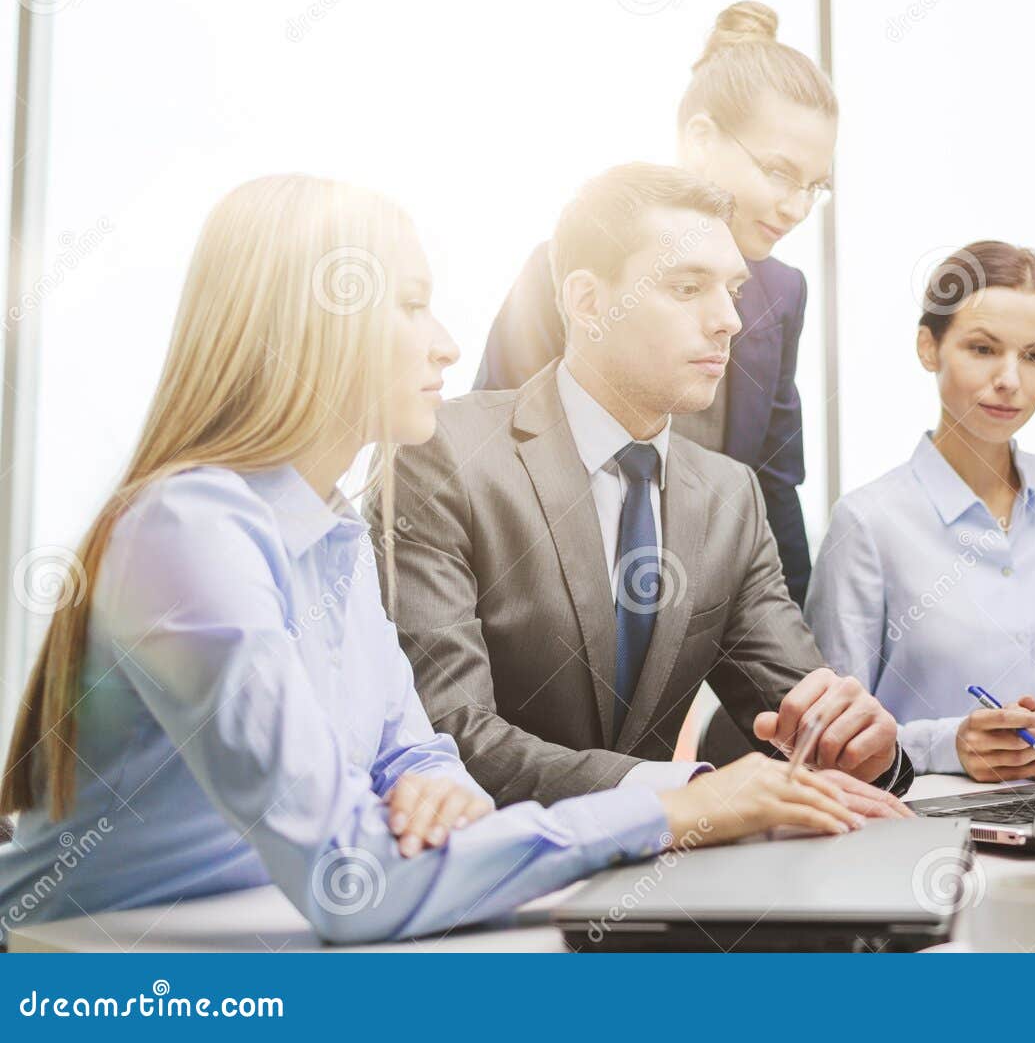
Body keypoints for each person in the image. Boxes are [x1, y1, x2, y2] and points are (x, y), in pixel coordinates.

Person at [0, 175, 877, 947]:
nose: (448, 345)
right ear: (313, 319)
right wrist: (670, 807)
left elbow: (417, 756)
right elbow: (355, 876)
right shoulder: (188, 533)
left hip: (272, 946)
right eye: (412, 304)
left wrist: (436, 795)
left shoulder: (337, 533)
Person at [377, 162, 917, 808]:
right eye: (688, 288)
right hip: (505, 873)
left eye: (733, 292)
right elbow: (450, 736)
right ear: (587, 301)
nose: (728, 322)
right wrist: (686, 793)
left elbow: (804, 722)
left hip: (666, 885)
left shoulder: (730, 499)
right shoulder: (446, 455)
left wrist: (868, 752)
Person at [475, 0, 832, 606]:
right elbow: (492, 454)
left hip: (690, 617)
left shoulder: (782, 294)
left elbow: (772, 490)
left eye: (815, 187)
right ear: (699, 139)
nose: (795, 207)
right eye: (778, 173)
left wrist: (800, 670)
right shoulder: (567, 266)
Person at [806, 242, 1035, 779]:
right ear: (928, 348)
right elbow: (831, 740)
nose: (1011, 379)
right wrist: (948, 744)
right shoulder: (867, 522)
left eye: (1034, 355)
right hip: (924, 822)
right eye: (983, 349)